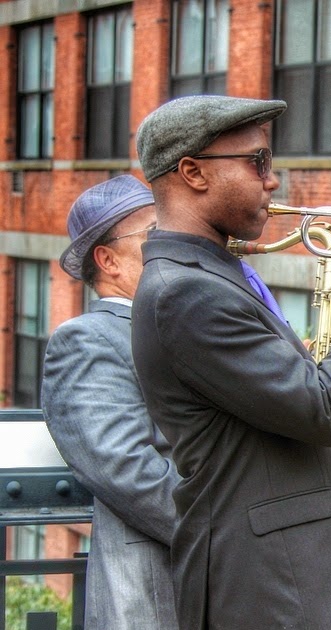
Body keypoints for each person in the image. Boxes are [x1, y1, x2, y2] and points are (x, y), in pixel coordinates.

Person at [129, 95, 331, 629]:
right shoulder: (185, 293)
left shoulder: (211, 277)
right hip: (273, 589)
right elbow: (322, 409)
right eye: (258, 162)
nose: (273, 181)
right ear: (192, 173)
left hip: (292, 578)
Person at [40, 176, 179, 630]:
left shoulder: (174, 329)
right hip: (156, 600)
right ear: (109, 260)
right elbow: (127, 471)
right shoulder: (83, 339)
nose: (174, 245)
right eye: (156, 233)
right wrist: (235, 531)